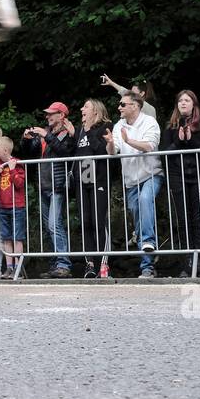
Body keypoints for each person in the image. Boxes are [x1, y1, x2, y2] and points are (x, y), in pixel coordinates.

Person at [107, 90, 162, 278]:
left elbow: (149, 146)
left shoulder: (149, 122)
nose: (119, 107)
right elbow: (113, 151)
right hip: (131, 180)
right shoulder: (118, 125)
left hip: (151, 174)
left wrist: (129, 140)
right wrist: (109, 143)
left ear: (135, 106)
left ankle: (148, 246)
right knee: (138, 217)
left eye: (123, 104)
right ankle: (148, 264)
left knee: (145, 200)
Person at [160, 90, 200, 277]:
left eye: (187, 100)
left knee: (199, 219)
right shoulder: (170, 126)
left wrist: (190, 141)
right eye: (180, 100)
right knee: (183, 219)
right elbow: (165, 152)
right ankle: (187, 263)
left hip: (199, 175)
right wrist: (179, 141)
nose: (183, 103)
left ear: (194, 104)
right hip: (177, 176)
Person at [20, 102, 76, 277]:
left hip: (58, 185)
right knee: (47, 228)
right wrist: (26, 140)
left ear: (62, 115)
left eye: (52, 114)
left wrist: (46, 136)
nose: (48, 116)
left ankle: (64, 264)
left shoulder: (68, 133)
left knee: (54, 225)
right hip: (43, 185)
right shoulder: (47, 133)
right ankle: (54, 265)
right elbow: (28, 153)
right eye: (47, 114)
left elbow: (65, 152)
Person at [73, 99, 112, 278]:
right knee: (86, 222)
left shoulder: (104, 127)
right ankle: (90, 264)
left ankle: (103, 264)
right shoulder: (80, 130)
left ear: (96, 111)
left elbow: (103, 152)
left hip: (99, 181)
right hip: (82, 181)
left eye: (86, 106)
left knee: (98, 221)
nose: (82, 109)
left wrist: (89, 133)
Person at [0, 135, 26, 280]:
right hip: (3, 207)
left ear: (5, 150)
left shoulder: (17, 163)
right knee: (6, 239)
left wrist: (12, 170)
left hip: (17, 206)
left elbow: (20, 183)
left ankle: (18, 267)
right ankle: (9, 267)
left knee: (17, 238)